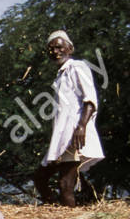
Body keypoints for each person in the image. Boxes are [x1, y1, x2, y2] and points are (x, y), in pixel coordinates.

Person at [33, 30, 103, 207]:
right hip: (62, 136)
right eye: (51, 49)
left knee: (65, 184)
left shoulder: (77, 67)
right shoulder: (61, 74)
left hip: (74, 134)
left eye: (59, 47)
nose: (55, 52)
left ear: (70, 49)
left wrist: (81, 127)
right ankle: (56, 211)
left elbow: (90, 100)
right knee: (40, 178)